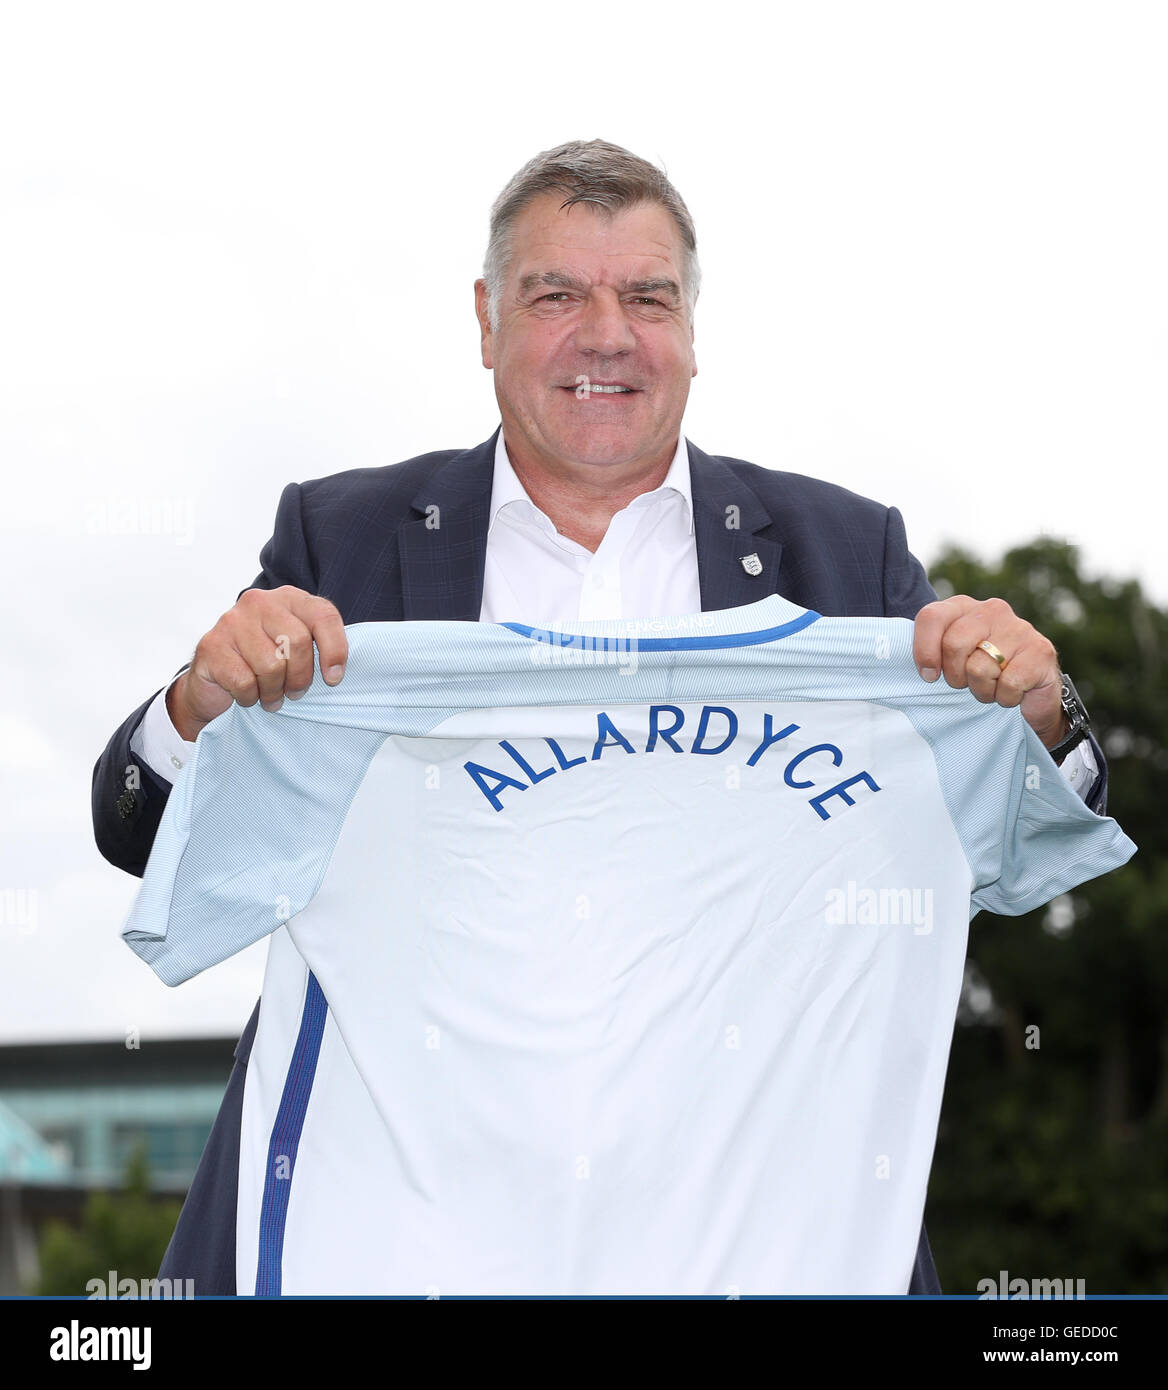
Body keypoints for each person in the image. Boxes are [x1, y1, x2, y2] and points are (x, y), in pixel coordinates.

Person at [92, 139, 1106, 1297]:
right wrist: (198, 700)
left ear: (692, 329)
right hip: (392, 1243)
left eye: (646, 297)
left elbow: (1037, 840)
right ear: (485, 321)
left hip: (770, 1249)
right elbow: (139, 829)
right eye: (556, 294)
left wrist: (1040, 708)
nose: (606, 334)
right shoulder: (346, 544)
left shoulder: (843, 557)